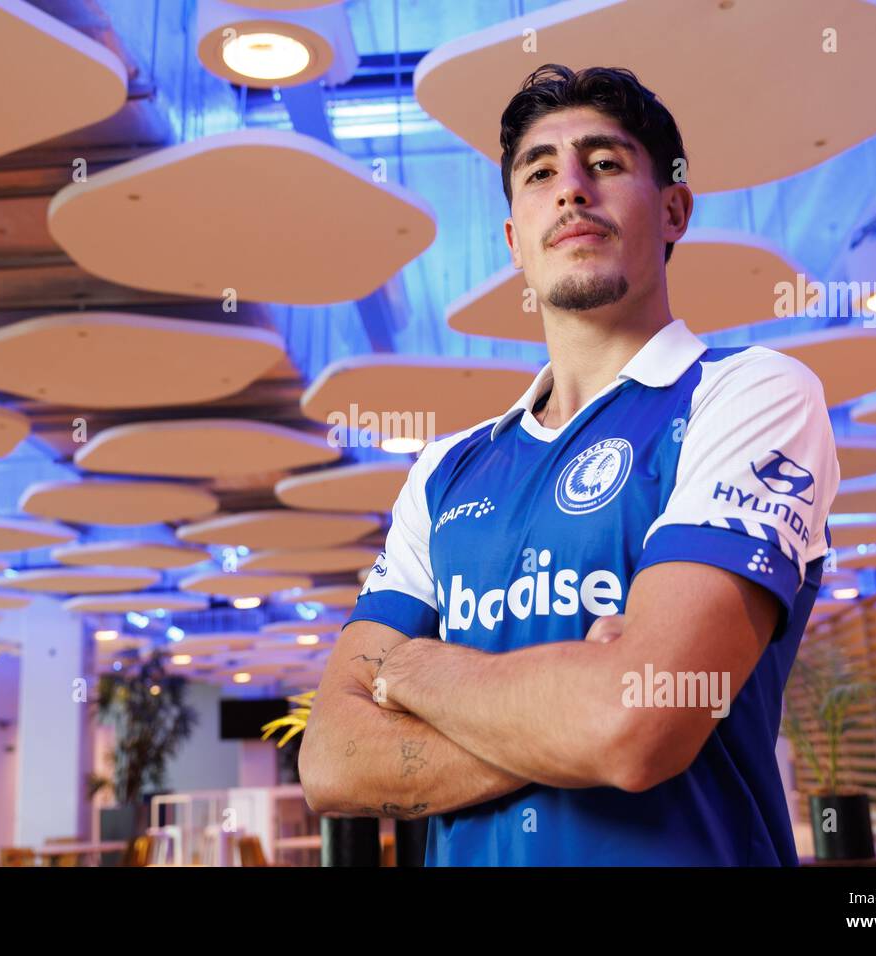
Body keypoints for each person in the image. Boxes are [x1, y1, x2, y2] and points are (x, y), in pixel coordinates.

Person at [298, 64, 840, 865]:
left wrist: (411, 669)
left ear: (674, 209)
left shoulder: (749, 394)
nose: (572, 189)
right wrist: (579, 708)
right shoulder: (445, 470)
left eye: (607, 163)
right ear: (516, 240)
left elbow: (637, 723)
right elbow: (332, 761)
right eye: (541, 172)